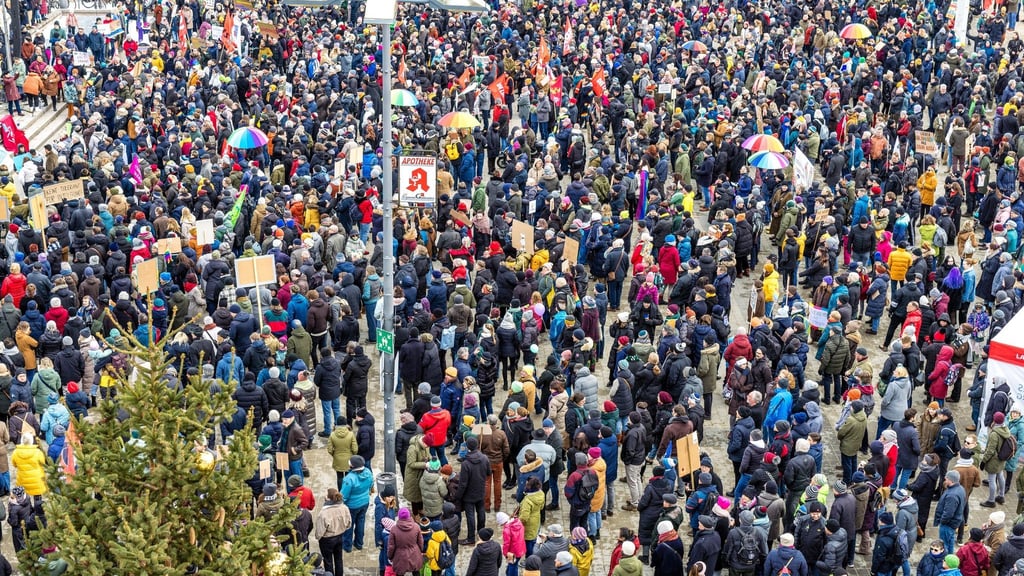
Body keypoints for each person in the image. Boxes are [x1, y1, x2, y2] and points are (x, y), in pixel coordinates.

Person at [340, 455, 374, 552]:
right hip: (365, 502)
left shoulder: (349, 479)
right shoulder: (368, 472)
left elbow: (344, 495)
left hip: (352, 506)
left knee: (349, 525)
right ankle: (359, 544)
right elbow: (371, 485)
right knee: (361, 522)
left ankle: (347, 546)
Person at [315, 488, 353, 576]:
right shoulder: (344, 508)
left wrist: (318, 537)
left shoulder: (323, 513)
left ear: (328, 498)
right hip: (340, 537)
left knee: (328, 561)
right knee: (339, 559)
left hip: (327, 540)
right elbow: (349, 524)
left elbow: (319, 532)